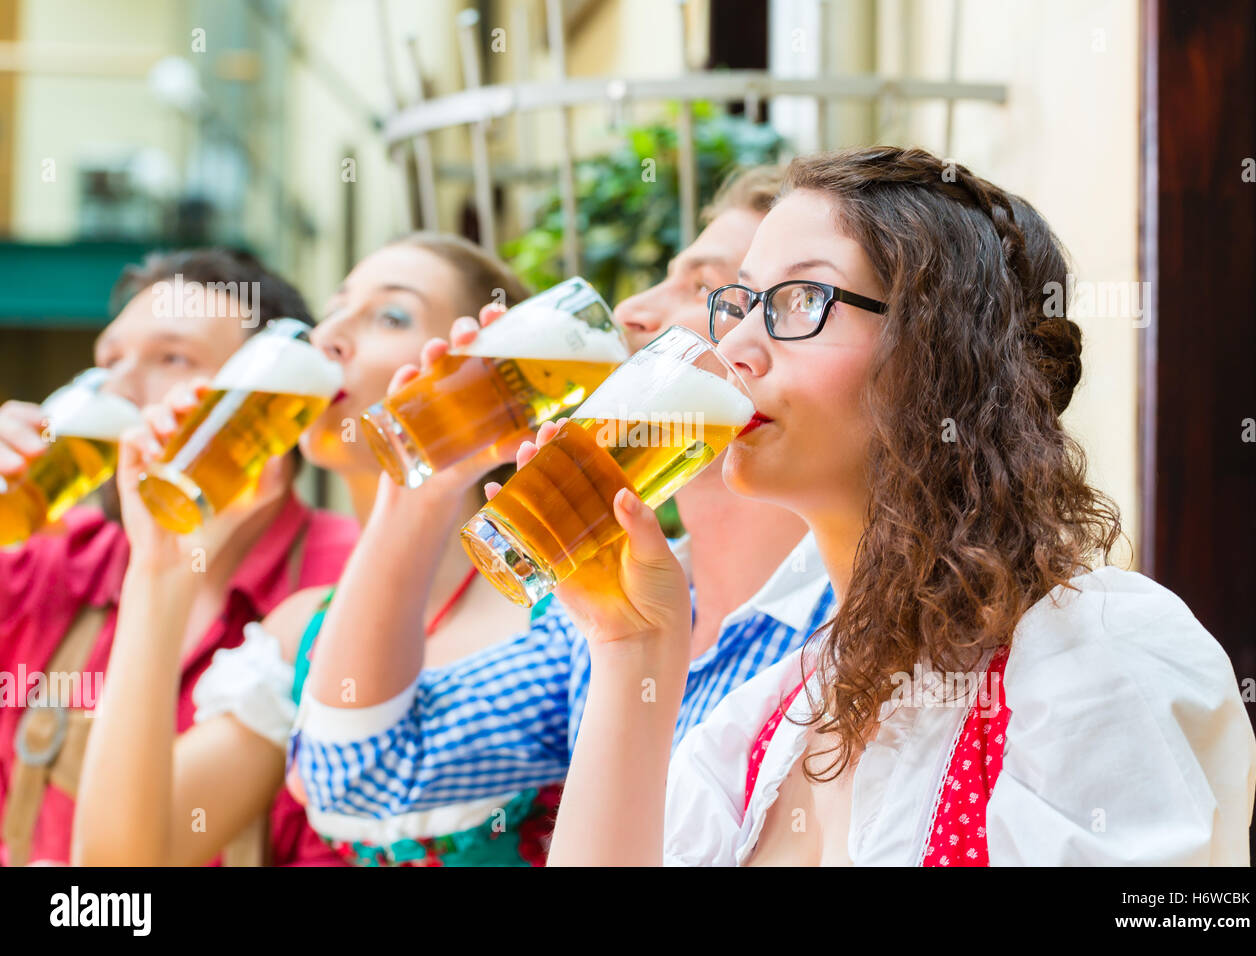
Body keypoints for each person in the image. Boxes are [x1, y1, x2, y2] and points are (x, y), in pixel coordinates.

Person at [538, 146, 1256, 866]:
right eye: (742, 303)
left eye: (801, 302)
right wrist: (631, 651)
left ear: (947, 353)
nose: (738, 349)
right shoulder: (763, 729)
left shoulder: (1094, 660)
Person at [288, 166, 838, 845]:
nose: (634, 307)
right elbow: (359, 782)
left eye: (706, 288)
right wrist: (423, 489)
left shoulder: (857, 636)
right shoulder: (606, 618)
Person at [72, 234, 546, 866]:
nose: (327, 339)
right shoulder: (303, 634)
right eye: (334, 311)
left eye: (390, 315)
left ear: (490, 378)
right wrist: (160, 568)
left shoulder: (565, 599)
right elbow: (118, 874)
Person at [0, 249, 359, 867]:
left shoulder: (346, 586)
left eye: (172, 358)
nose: (117, 389)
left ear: (268, 394)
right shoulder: (49, 563)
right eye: (108, 361)